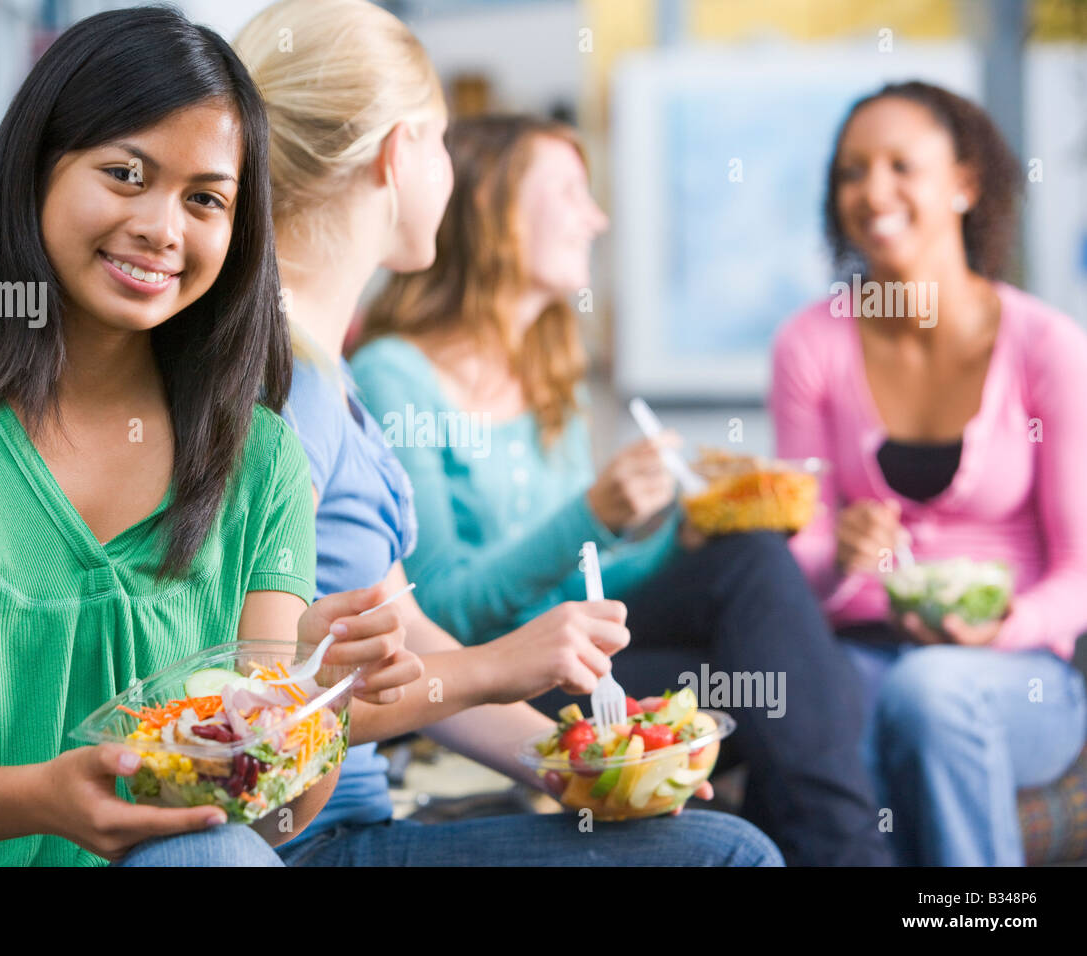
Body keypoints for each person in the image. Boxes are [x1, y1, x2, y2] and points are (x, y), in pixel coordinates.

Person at [115, 0, 782, 867]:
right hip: (307, 841)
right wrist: (503, 662)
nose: (451, 174)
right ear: (399, 153)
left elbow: (414, 635)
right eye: (438, 141)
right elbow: (246, 696)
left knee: (716, 843)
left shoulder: (324, 375)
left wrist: (573, 766)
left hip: (354, 822)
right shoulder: (288, 388)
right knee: (730, 856)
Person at [0, 7, 420, 867]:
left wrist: (315, 696)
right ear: (36, 170)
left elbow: (272, 819)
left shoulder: (261, 462)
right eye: (126, 174)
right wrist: (36, 800)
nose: (164, 228)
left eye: (206, 199)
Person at [350, 113, 892, 866]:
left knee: (754, 561)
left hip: (577, 657)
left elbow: (582, 579)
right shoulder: (393, 375)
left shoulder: (545, 372)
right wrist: (594, 512)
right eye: (571, 192)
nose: (596, 217)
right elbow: (441, 614)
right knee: (802, 686)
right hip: (491, 682)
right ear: (494, 212)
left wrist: (680, 531)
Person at [770, 80, 1087, 866]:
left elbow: (1080, 572)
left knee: (930, 691)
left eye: (900, 165)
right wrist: (839, 557)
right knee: (828, 701)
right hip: (863, 650)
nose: (873, 191)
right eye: (851, 172)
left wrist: (999, 629)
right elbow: (795, 566)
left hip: (1019, 676)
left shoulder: (1046, 347)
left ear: (964, 184)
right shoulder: (810, 346)